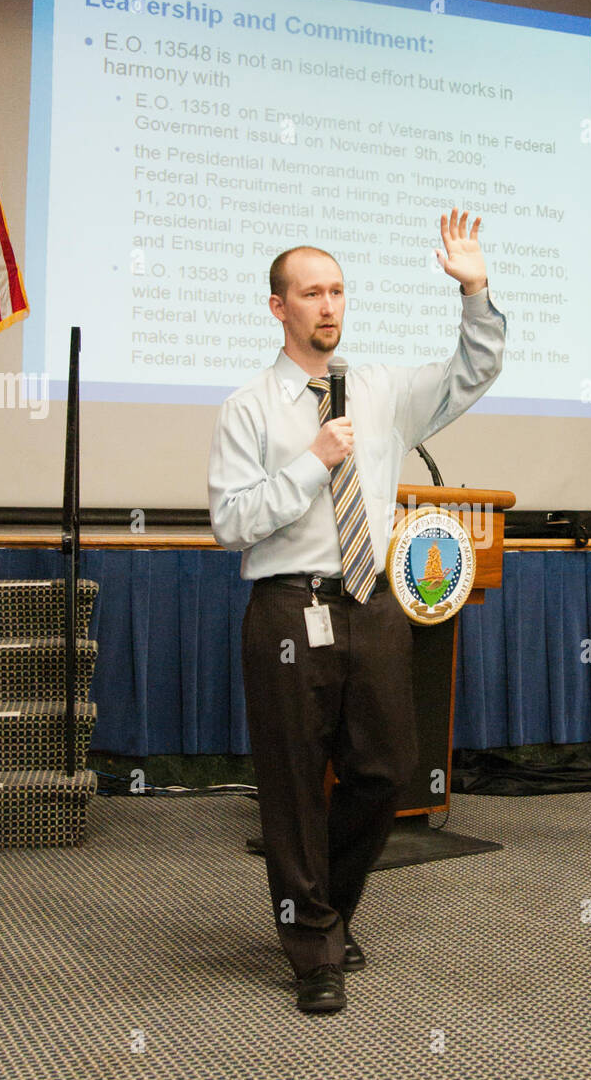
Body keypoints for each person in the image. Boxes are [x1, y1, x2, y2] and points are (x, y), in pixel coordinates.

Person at [208, 210, 505, 1013]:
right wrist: (313, 461)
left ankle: (326, 911)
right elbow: (231, 523)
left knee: (383, 770)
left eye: (337, 290)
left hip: (371, 604)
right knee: (295, 784)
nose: (328, 305)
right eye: (310, 293)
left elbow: (470, 372)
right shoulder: (249, 408)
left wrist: (475, 290)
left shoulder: (380, 391)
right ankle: (313, 950)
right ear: (279, 308)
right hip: (286, 608)